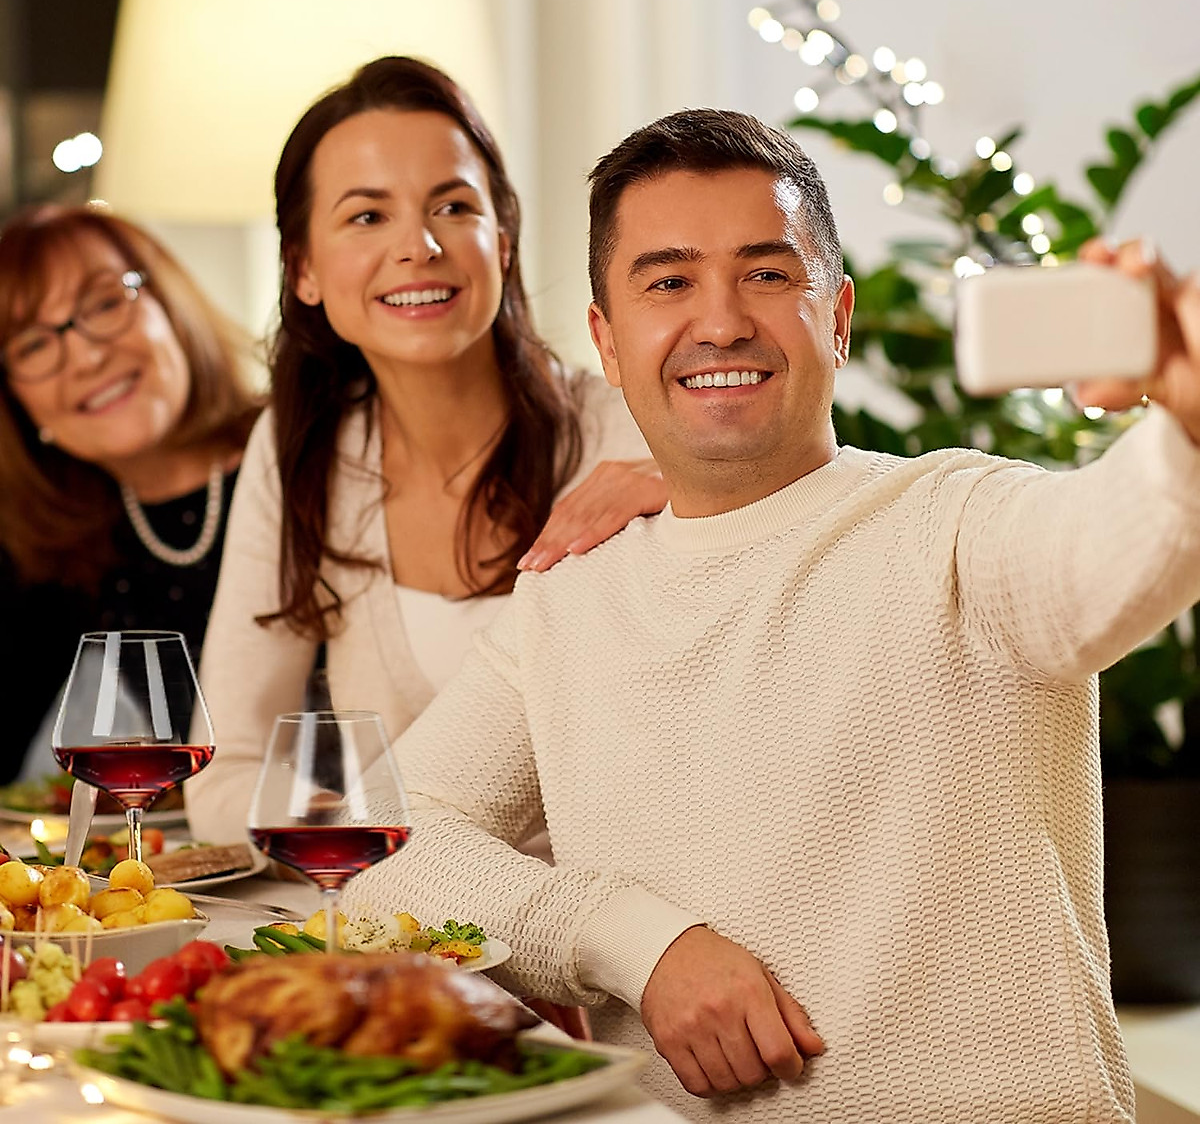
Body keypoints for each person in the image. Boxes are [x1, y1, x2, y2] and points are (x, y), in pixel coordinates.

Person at [349, 107, 1200, 1123]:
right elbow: (383, 842)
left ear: (836, 318)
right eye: (669, 282)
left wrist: (1188, 425)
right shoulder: (570, 594)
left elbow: (1122, 539)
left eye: (766, 274)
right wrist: (635, 943)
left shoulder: (959, 525)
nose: (720, 322)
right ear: (608, 343)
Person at [186, 57, 663, 847]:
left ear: (501, 242)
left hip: (614, 946)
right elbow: (227, 770)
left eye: (452, 205)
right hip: (403, 940)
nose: (420, 246)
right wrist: (383, 841)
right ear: (304, 268)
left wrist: (692, 480)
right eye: (368, 217)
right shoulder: (301, 447)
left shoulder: (632, 435)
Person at [0, 204, 260, 784]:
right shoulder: (53, 550)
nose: (88, 355)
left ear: (169, 304)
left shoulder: (307, 456)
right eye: (33, 346)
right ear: (17, 402)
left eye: (102, 303)